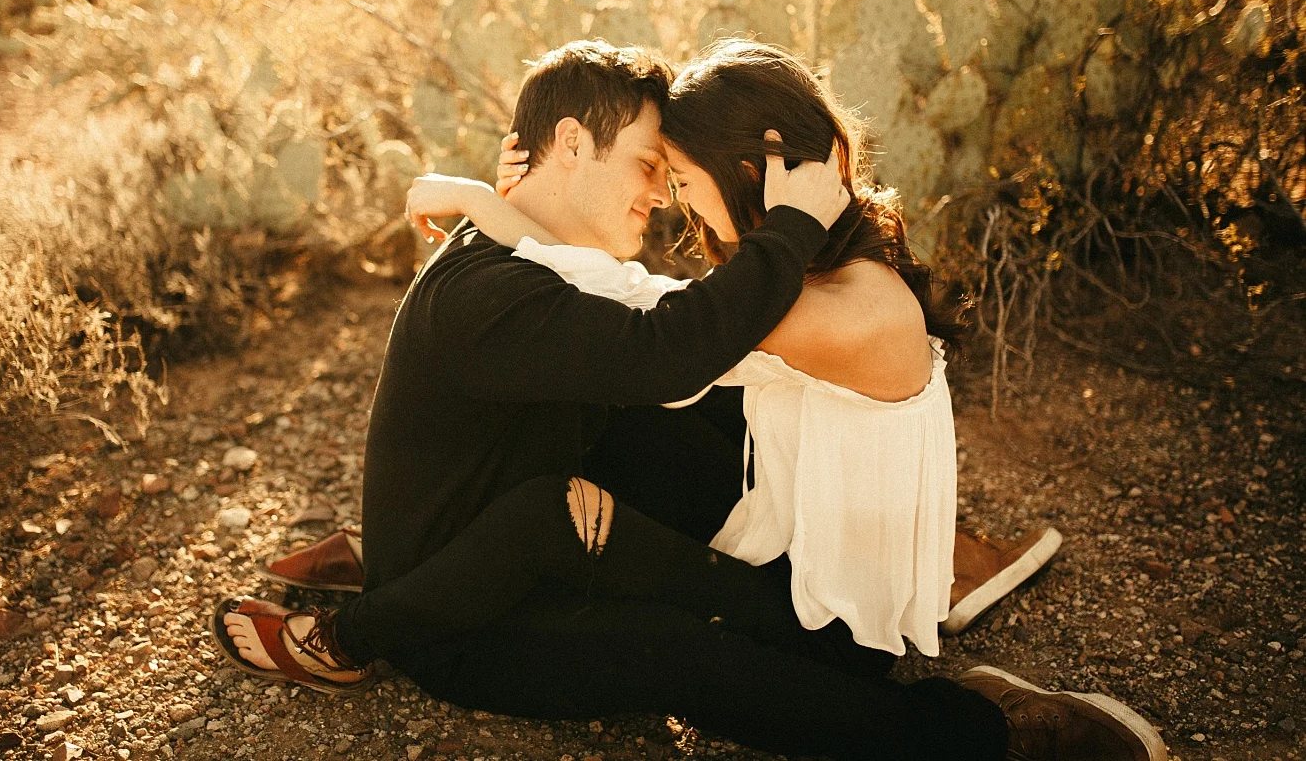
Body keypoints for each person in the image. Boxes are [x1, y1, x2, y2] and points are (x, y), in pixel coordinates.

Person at [211, 41, 1164, 761]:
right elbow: (654, 330)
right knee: (677, 645)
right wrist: (785, 228)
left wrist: (477, 198)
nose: (663, 201)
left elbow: (660, 328)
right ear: (569, 146)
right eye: (647, 168)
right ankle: (978, 739)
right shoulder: (497, 292)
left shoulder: (543, 266)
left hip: (571, 540)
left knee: (659, 430)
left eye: (675, 177)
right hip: (473, 616)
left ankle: (868, 624)